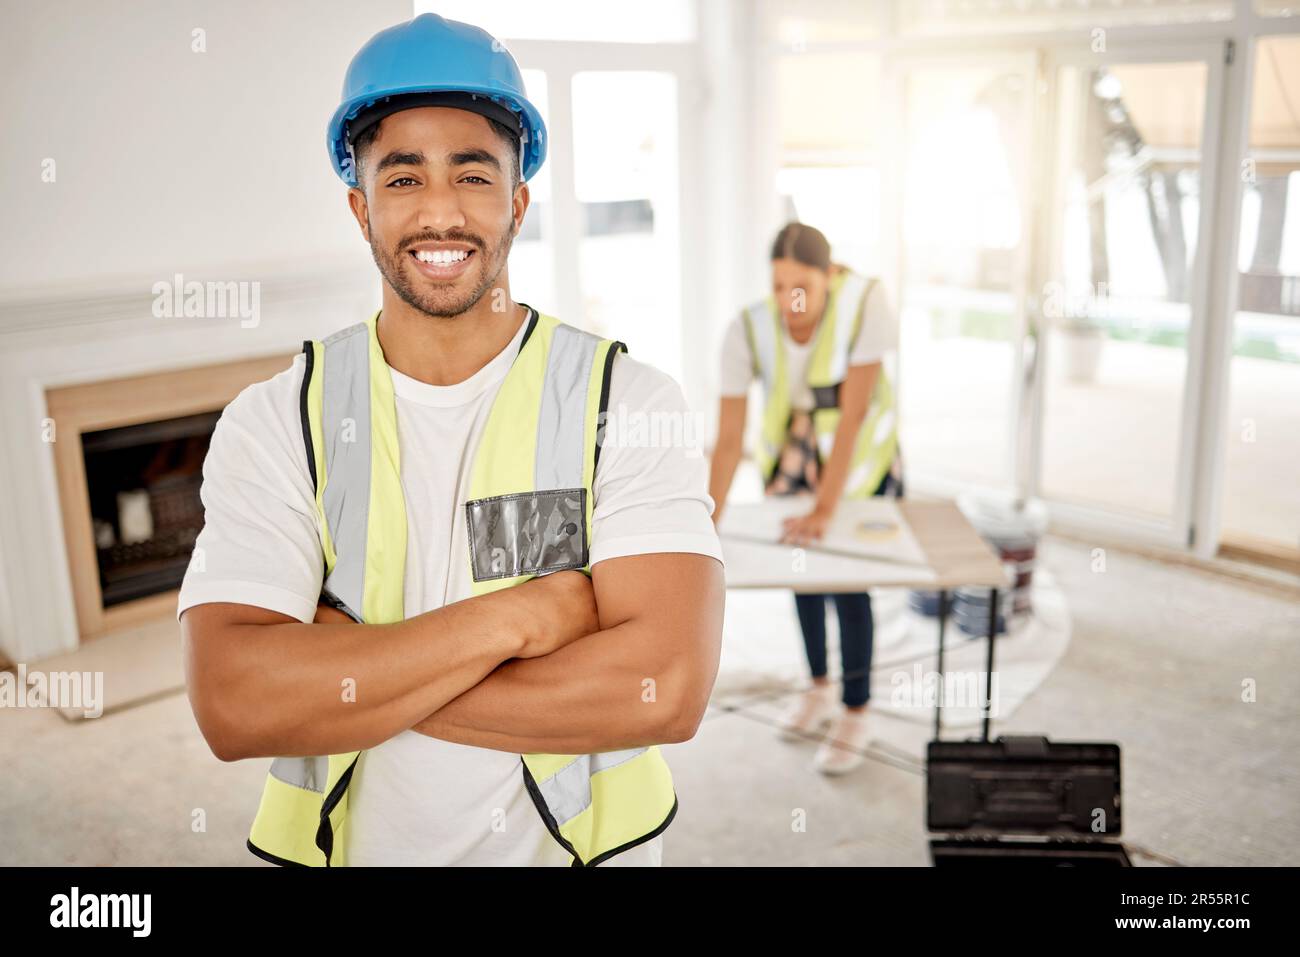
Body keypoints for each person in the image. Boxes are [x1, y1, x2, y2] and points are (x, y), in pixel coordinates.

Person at [177, 12, 725, 867]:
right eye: (402, 180)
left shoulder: (627, 402)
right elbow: (234, 703)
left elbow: (666, 688)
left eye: (473, 174)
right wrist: (530, 613)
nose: (440, 212)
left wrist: (341, 668)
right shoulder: (279, 419)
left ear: (518, 199)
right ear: (360, 207)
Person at [708, 222, 902, 775]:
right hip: (792, 456)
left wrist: (825, 509)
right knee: (802, 572)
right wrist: (708, 518)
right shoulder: (746, 330)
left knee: (844, 579)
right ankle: (818, 687)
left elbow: (854, 416)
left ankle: (856, 711)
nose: (790, 302)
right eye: (778, 286)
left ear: (830, 276)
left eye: (803, 289)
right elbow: (728, 440)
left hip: (857, 457)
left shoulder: (865, 303)